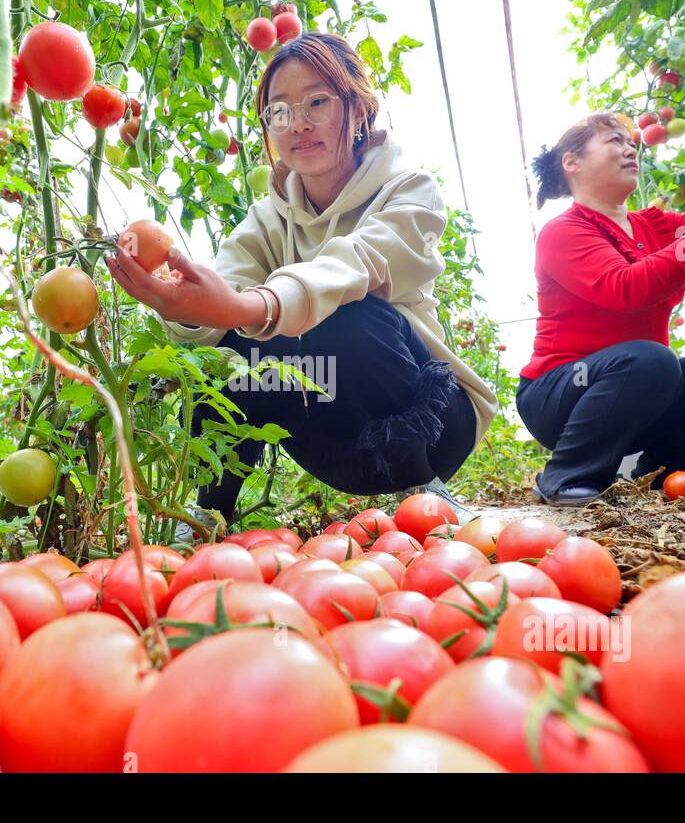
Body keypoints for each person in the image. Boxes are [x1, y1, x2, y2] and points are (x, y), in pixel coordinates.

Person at [106, 32, 496, 531]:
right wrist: (182, 307)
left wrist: (250, 307)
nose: (298, 124)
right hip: (333, 440)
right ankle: (209, 512)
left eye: (317, 102)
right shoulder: (267, 220)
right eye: (279, 112)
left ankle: (426, 495)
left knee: (352, 319)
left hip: (432, 426)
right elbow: (222, 301)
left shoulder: (410, 191)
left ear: (358, 110)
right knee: (223, 353)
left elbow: (355, 263)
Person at [517, 83, 685, 506]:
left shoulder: (655, 226)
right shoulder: (564, 231)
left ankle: (669, 472)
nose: (630, 149)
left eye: (630, 142)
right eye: (614, 141)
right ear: (573, 163)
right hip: (559, 398)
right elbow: (625, 289)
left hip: (639, 395)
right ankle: (566, 475)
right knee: (651, 359)